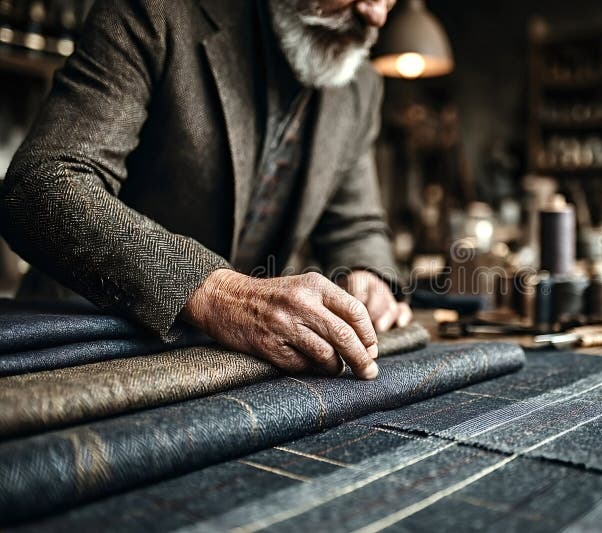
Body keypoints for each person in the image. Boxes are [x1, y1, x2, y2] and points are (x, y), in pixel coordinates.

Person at [0, 0, 411, 380]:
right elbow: (43, 185)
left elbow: (356, 226)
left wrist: (368, 275)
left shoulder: (361, 85)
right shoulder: (156, 11)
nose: (375, 15)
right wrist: (218, 293)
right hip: (74, 345)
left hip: (219, 364)